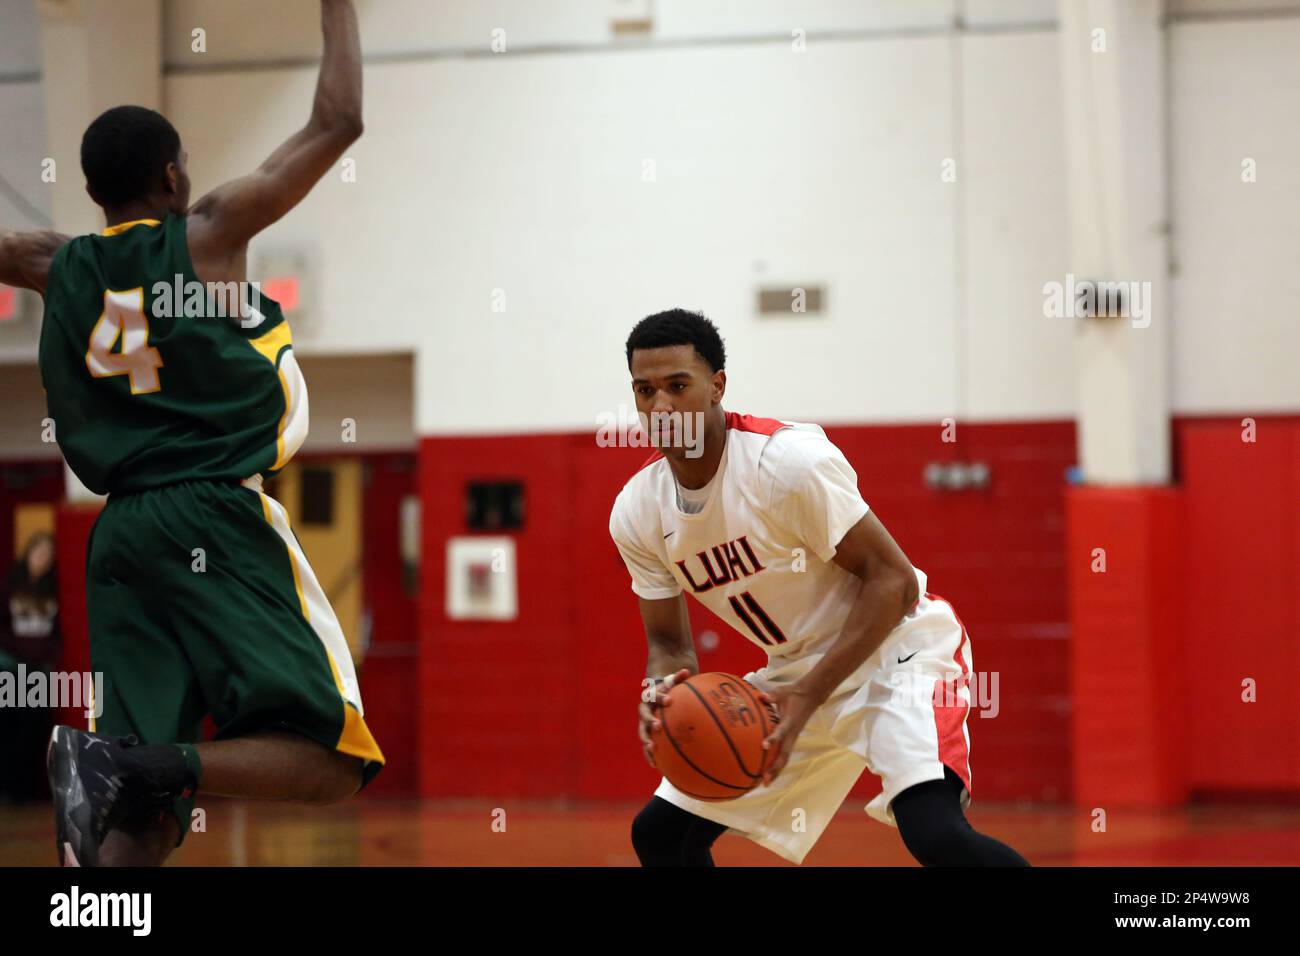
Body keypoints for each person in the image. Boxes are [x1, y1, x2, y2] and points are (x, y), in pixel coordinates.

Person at [0, 0, 383, 866]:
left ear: (97, 191)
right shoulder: (208, 234)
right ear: (172, 178)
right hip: (212, 514)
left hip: (119, 536)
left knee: (138, 813)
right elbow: (340, 119)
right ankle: (138, 760)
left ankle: (119, 807)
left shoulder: (49, 262)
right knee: (330, 756)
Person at [611, 309, 1029, 866]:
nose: (661, 406)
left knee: (936, 834)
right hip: (794, 676)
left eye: (677, 386)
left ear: (717, 387)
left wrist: (808, 696)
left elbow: (896, 582)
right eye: (645, 390)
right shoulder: (637, 512)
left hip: (894, 653)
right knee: (660, 836)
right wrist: (658, 697)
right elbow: (668, 645)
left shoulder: (784, 463)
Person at [0, 532, 61, 803]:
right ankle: (8, 789)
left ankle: (29, 791)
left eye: (48, 556)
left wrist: (47, 654)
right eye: (39, 553)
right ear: (28, 553)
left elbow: (58, 633)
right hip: (11, 668)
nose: (42, 560)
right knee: (9, 726)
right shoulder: (10, 584)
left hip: (39, 671)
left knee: (34, 728)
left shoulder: (53, 588)